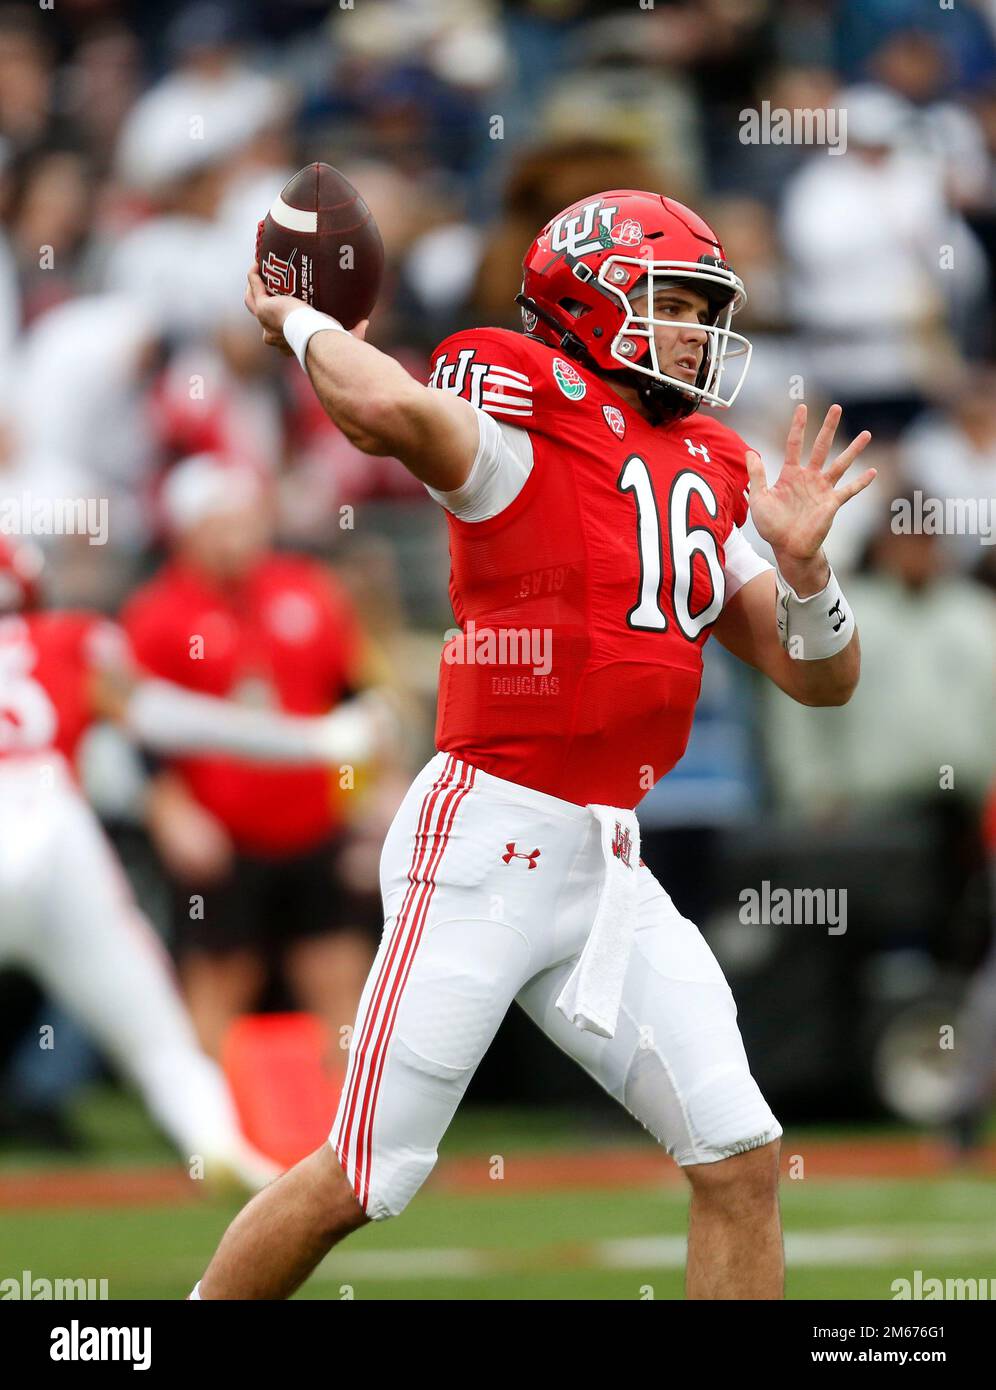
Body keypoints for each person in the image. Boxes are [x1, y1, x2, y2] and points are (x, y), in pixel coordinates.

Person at [191, 188, 875, 1300]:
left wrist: (809, 575)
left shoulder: (702, 457)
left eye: (705, 309)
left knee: (741, 1156)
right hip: (486, 837)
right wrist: (302, 322)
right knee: (363, 1176)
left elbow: (820, 678)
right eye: (678, 304)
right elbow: (391, 416)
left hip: (609, 860)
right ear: (592, 300)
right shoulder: (523, 403)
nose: (700, 334)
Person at [0, 536, 386, 1188]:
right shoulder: (71, 638)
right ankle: (220, 1148)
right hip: (53, 824)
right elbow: (173, 720)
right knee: (161, 1047)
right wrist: (321, 740)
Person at [123, 454, 389, 1060]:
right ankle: (210, 1141)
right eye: (225, 521)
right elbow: (138, 733)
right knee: (220, 987)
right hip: (224, 836)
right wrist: (171, 813)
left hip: (313, 826)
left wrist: (372, 792)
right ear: (190, 529)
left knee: (340, 980)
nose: (242, 534)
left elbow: (355, 703)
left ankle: (349, 1139)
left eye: (248, 518)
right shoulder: (158, 614)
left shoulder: (309, 590)